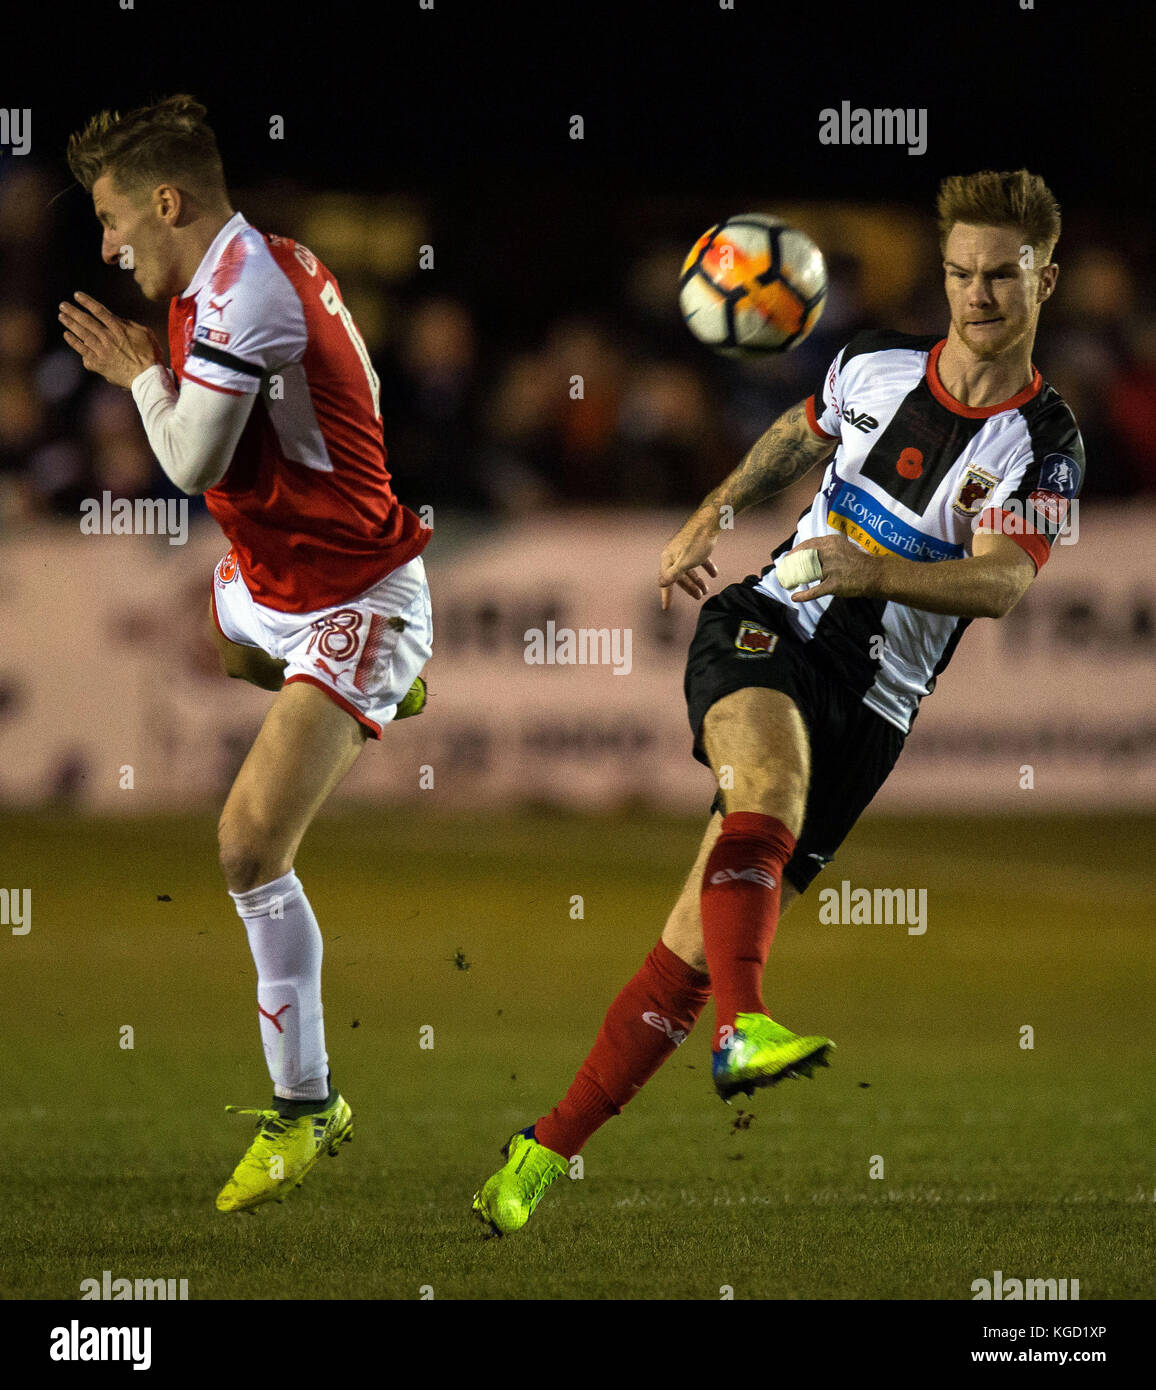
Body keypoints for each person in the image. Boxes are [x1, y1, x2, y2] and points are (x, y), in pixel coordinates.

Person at [472, 168, 1084, 1236]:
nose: (978, 294)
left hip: (875, 707)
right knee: (766, 776)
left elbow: (1000, 583)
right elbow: (801, 434)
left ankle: (538, 1150)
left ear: (1046, 279)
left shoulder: (1045, 444)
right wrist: (716, 508)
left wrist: (873, 571)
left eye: (1002, 276)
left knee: (686, 950)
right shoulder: (875, 365)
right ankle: (748, 1027)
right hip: (770, 621)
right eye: (960, 273)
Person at [60, 94, 432, 1213]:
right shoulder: (249, 263)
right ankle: (381, 684)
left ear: (170, 204)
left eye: (115, 218)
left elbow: (183, 461)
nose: (107, 243)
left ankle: (307, 1110)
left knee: (244, 848)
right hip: (269, 589)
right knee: (215, 644)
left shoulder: (244, 296)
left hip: (352, 591)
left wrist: (137, 374)